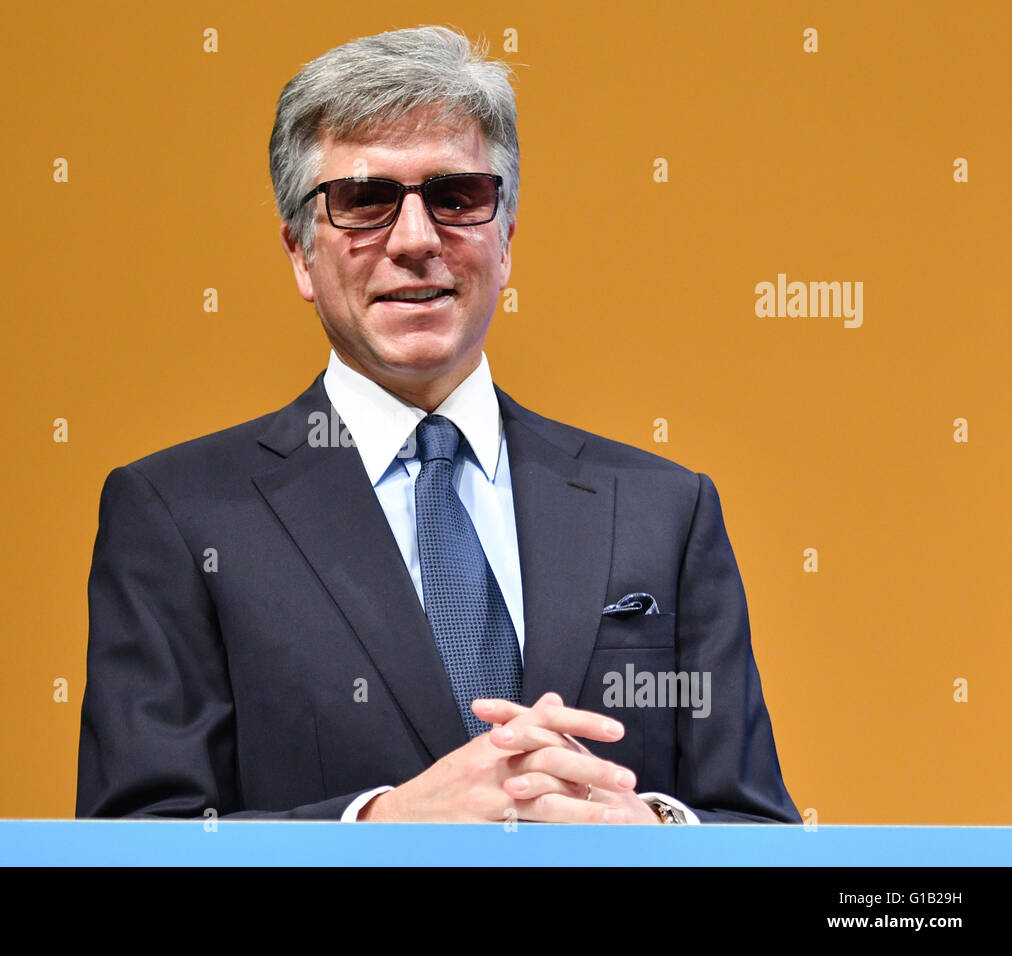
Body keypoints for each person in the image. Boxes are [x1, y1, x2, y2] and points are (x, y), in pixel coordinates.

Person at [76, 25, 800, 824]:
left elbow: (757, 827)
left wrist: (653, 833)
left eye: (456, 197)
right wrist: (376, 828)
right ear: (299, 254)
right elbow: (136, 841)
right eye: (363, 201)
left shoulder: (666, 510)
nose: (417, 240)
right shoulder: (179, 515)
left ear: (507, 237)